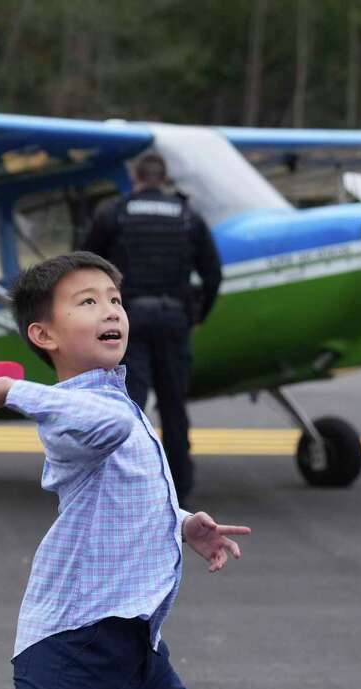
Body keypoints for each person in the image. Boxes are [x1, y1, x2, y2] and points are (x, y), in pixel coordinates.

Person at [0, 251, 250, 689]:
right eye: (87, 302)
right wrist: (14, 392)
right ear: (44, 335)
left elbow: (122, 491)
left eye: (114, 299)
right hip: (76, 651)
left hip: (137, 651)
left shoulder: (114, 400)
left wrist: (180, 524)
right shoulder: (69, 418)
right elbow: (107, 429)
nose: (111, 311)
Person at [82, 154, 222, 505]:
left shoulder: (115, 213)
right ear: (165, 178)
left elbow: (85, 265)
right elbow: (213, 273)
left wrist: (100, 314)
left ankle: (125, 487)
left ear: (135, 177)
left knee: (131, 405)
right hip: (175, 319)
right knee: (174, 407)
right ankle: (181, 495)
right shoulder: (189, 217)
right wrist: (198, 314)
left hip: (131, 321)